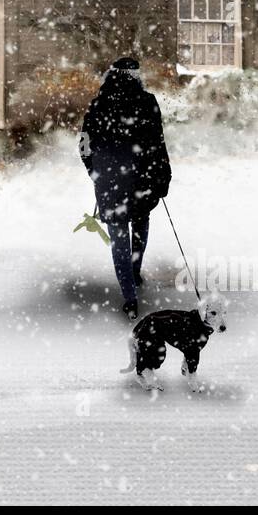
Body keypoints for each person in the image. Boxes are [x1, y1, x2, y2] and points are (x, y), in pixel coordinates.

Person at [79, 57, 172, 320]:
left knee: (118, 236)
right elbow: (158, 143)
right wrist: (162, 174)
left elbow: (84, 145)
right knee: (141, 222)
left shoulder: (98, 105)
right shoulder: (147, 102)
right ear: (136, 77)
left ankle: (129, 297)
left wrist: (95, 171)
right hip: (143, 179)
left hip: (110, 182)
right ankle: (134, 271)